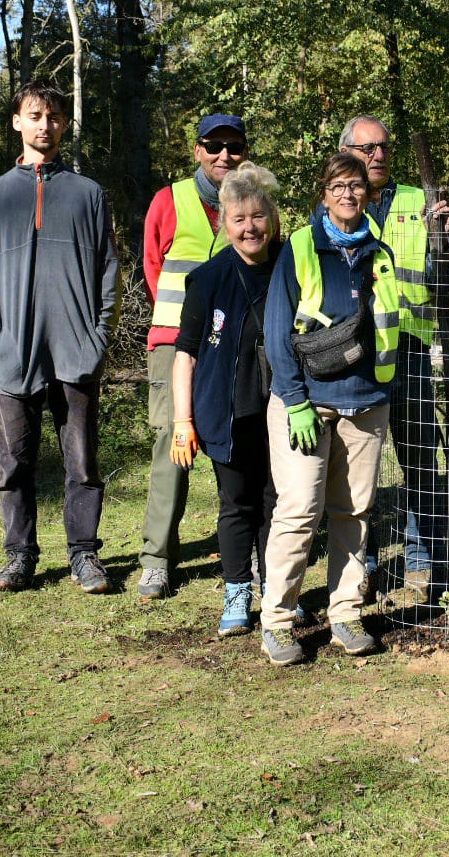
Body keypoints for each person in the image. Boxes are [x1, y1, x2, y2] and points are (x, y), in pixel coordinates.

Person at [0, 79, 119, 594]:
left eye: (54, 117)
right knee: (14, 463)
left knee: (82, 462)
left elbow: (107, 273)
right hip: (11, 353)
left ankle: (84, 555)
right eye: (35, 116)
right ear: (18, 122)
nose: (45, 126)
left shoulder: (88, 195)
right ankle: (19, 557)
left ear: (64, 124)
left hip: (75, 351)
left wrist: (98, 338)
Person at [258, 152, 403, 665]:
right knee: (298, 512)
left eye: (356, 186)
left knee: (354, 513)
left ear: (369, 193)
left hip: (366, 404)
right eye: (337, 186)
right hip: (309, 405)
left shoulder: (378, 250)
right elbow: (277, 332)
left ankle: (345, 612)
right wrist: (295, 401)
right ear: (323, 194)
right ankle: (276, 620)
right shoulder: (300, 246)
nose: (347, 194)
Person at [340, 116, 449, 606]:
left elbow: (441, 272)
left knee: (420, 456)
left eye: (384, 147)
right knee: (357, 462)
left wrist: (442, 236)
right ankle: (360, 561)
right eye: (367, 148)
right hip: (356, 351)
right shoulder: (336, 201)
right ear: (346, 151)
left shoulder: (418, 200)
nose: (378, 155)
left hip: (407, 344)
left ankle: (421, 557)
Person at [168, 162, 284, 635]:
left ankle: (277, 591)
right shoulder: (209, 278)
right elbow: (186, 355)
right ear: (224, 223)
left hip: (283, 406)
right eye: (238, 219)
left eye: (258, 216)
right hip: (226, 407)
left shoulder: (291, 266)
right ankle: (237, 591)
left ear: (272, 219)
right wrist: (183, 420)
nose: (250, 227)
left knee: (278, 501)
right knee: (237, 501)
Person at [137, 113, 249, 601]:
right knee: (172, 446)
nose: (224, 155)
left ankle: (250, 555)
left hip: (232, 347)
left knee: (244, 444)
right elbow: (152, 268)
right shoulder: (170, 199)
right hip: (172, 342)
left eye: (234, 146)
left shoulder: (251, 203)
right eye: (214, 145)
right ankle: (157, 559)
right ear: (198, 149)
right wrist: (181, 328)